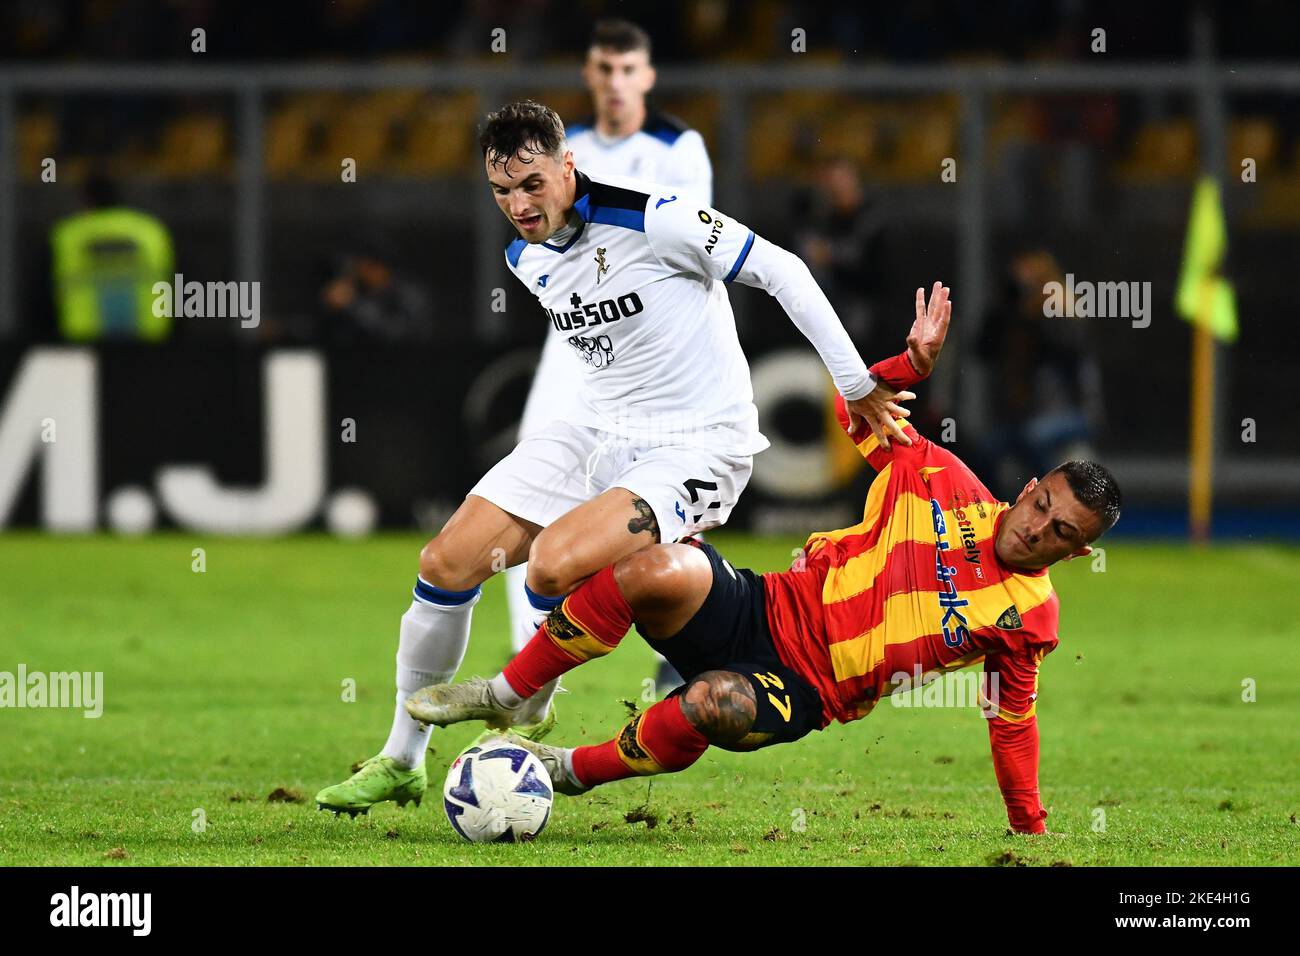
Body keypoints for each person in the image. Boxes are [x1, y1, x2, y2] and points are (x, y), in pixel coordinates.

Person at [315, 99, 926, 814]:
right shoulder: (523, 255)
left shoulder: (656, 216)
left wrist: (855, 385)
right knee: (444, 564)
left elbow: (783, 270)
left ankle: (527, 704)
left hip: (699, 445)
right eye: (502, 191)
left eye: (533, 184)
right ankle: (401, 759)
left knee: (551, 563)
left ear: (568, 165)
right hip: (597, 431)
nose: (519, 205)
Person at [408, 284, 1123, 834]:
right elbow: (854, 415)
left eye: (1061, 533)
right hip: (762, 604)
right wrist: (909, 366)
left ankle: (569, 772)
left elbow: (1011, 721)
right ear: (1029, 489)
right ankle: (506, 696)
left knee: (713, 702)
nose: (1039, 530)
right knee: (651, 567)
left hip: (807, 689)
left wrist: (1029, 832)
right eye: (1042, 508)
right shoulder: (940, 478)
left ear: (1079, 550)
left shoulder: (1030, 619)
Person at [505, 18, 713, 697]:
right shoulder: (566, 150)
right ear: (589, 75)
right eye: (604, 69)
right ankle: (528, 667)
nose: (617, 83)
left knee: (662, 496)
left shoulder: (678, 148)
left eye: (629, 71)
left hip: (647, 348)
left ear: (647, 77)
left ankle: (694, 637)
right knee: (526, 490)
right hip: (571, 344)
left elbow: (687, 251)